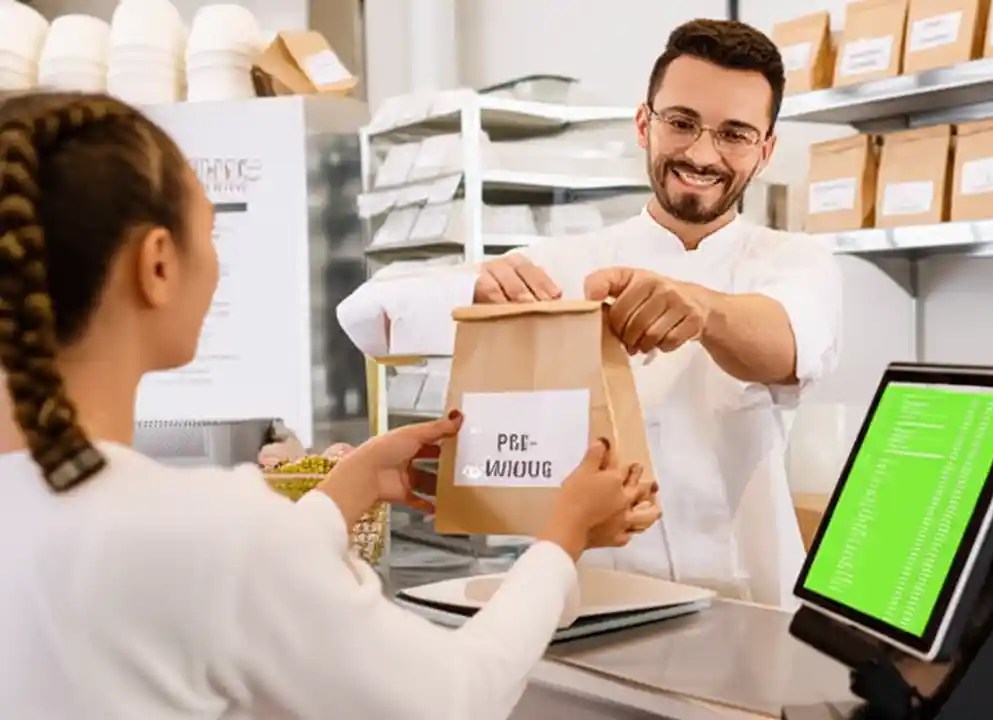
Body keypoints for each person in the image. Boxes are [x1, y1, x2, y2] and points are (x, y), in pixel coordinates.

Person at [0, 93, 660, 718]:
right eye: (212, 232)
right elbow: (454, 699)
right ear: (158, 265)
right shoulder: (214, 528)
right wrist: (562, 539)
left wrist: (344, 493)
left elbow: (229, 575)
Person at [337, 19, 843, 607]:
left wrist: (700, 309)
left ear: (765, 151)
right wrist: (477, 288)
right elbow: (365, 318)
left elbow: (789, 342)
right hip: (598, 605)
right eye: (681, 123)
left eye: (734, 134)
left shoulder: (796, 260)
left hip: (754, 607)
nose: (703, 153)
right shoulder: (571, 262)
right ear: (643, 125)